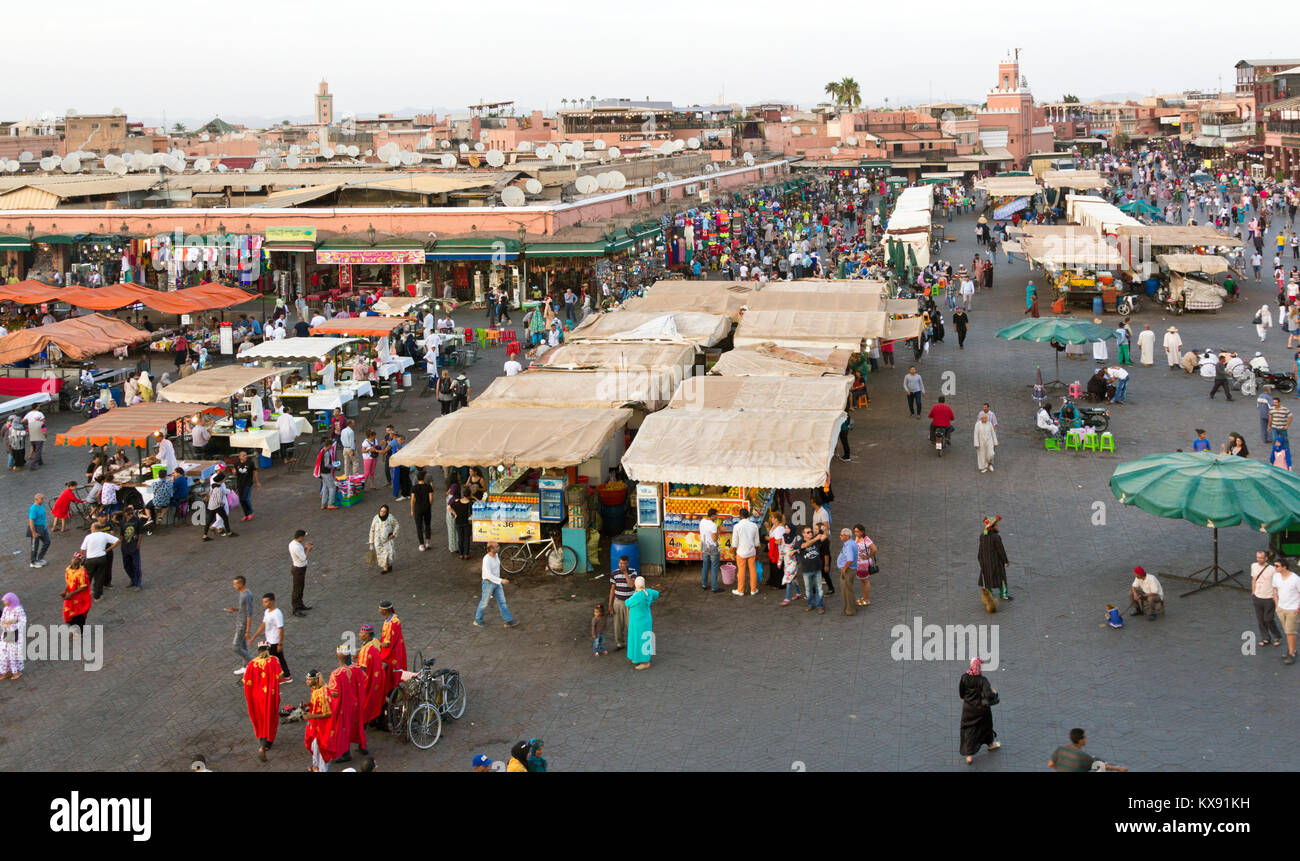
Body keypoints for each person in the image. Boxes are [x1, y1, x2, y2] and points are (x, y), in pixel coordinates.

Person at [326, 645, 367, 763]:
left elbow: (334, 693)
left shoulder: (336, 674)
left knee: (343, 729)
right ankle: (362, 747)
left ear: (338, 657)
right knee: (358, 724)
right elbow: (365, 678)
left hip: (344, 706)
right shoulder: (357, 668)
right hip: (356, 703)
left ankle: (346, 753)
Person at [242, 642, 282, 762]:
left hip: (256, 697)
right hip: (269, 696)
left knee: (259, 718)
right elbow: (279, 676)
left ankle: (262, 739)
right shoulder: (274, 661)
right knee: (270, 718)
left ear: (258, 651)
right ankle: (266, 744)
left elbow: (246, 682)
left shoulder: (251, 664)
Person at [958, 657, 1000, 764]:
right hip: (982, 710)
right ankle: (990, 744)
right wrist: (994, 692)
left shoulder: (964, 677)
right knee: (986, 727)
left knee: (969, 730)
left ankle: (969, 756)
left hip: (968, 709)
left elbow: (961, 692)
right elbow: (989, 695)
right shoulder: (982, 680)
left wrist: (964, 698)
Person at [303, 669, 341, 772]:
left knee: (321, 750)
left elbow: (328, 713)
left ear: (315, 680)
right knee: (314, 746)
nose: (307, 681)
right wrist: (306, 705)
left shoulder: (324, 693)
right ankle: (315, 767)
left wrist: (312, 716)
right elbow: (315, 704)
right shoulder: (315, 689)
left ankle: (321, 769)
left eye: (309, 680)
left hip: (324, 728)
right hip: (317, 727)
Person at [248, 593, 291, 682]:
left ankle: (270, 677)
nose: (264, 604)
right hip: (269, 641)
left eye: (266, 602)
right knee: (280, 659)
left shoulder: (277, 614)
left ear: (272, 601)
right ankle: (287, 676)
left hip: (274, 642)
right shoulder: (267, 612)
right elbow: (263, 625)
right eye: (263, 602)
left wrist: (280, 643)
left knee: (268, 660)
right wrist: (253, 637)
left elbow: (281, 629)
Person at [474, 544, 519, 628]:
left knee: (502, 601)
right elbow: (488, 575)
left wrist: (499, 581)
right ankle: (478, 620)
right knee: (484, 602)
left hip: (496, 583)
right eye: (497, 546)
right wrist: (501, 580)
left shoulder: (496, 555)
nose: (499, 547)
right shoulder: (487, 559)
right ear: (491, 549)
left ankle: (508, 620)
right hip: (488, 584)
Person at [1048, 728, 1128, 772]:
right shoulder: (1083, 757)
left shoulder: (1061, 748)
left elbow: (1050, 764)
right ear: (1080, 740)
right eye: (1085, 737)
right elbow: (1101, 766)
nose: (1086, 739)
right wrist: (1119, 768)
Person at [624, 576, 659, 670]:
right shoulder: (649, 592)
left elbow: (627, 603)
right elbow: (657, 594)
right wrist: (651, 600)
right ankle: (639, 658)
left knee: (637, 639)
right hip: (646, 620)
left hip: (637, 622)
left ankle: (645, 662)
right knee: (645, 639)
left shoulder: (637, 596)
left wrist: (635, 593)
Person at [355, 625, 387, 726]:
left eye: (361, 633)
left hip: (370, 678)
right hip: (379, 676)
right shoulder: (375, 641)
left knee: (364, 700)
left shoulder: (365, 650)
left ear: (367, 634)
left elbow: (363, 669)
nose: (359, 635)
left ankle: (363, 721)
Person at [1251, 551, 1284, 648]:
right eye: (1257, 557)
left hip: (1269, 598)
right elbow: (1253, 579)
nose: (1259, 559)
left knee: (1268, 619)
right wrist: (1253, 591)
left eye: (1261, 558)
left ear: (1266, 558)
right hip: (1257, 597)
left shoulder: (1272, 569)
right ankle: (1266, 638)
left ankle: (1277, 635)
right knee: (1260, 620)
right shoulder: (1253, 566)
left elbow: (1278, 583)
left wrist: (1277, 596)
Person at [80, 521, 120, 600]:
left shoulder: (88, 537)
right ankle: (97, 596)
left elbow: (82, 549)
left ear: (94, 529)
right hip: (101, 558)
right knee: (99, 577)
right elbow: (117, 541)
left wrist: (82, 556)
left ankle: (84, 594)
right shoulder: (104, 535)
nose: (90, 529)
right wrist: (107, 550)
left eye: (91, 527)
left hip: (90, 559)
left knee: (87, 577)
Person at [977, 515, 1011, 601]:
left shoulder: (982, 536)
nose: (998, 527)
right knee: (1002, 578)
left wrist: (981, 561)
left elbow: (980, 550)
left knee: (987, 579)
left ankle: (989, 594)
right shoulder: (996, 537)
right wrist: (1005, 561)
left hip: (985, 563)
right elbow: (1001, 550)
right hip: (996, 563)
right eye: (996, 525)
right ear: (992, 527)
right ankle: (1004, 594)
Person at [227, 575, 257, 671]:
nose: (234, 586)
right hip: (239, 622)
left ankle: (253, 662)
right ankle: (246, 666)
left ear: (241, 584)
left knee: (235, 647)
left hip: (242, 625)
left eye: (235, 584)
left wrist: (247, 630)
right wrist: (234, 609)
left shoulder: (247, 595)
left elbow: (249, 613)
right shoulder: (242, 593)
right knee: (243, 645)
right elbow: (243, 608)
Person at [1274, 558, 1300, 664]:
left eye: (1277, 566)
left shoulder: (1295, 579)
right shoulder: (1276, 576)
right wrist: (1277, 605)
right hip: (1281, 608)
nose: (1275, 568)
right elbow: (1275, 590)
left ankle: (1292, 654)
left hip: (1292, 609)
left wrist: (1298, 607)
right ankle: (1291, 649)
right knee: (1287, 631)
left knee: (1290, 632)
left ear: (1284, 567)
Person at [378, 601, 408, 693]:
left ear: (385, 610)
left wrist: (375, 644)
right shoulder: (389, 620)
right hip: (392, 648)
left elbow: (387, 644)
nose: (379, 610)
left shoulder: (393, 623)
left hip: (392, 652)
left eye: (380, 609)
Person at [731, 508, 760, 597]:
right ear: (748, 515)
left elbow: (735, 543)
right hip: (752, 551)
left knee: (741, 571)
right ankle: (753, 590)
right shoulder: (754, 526)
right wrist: (757, 553)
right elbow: (757, 542)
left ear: (740, 516)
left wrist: (733, 552)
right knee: (753, 570)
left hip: (741, 552)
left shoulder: (737, 526)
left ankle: (740, 590)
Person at [117, 504, 148, 590]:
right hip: (125, 546)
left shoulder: (136, 521)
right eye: (129, 514)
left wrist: (138, 544)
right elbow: (122, 534)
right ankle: (133, 579)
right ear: (125, 514)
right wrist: (121, 544)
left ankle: (138, 583)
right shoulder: (123, 521)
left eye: (131, 514)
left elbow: (140, 533)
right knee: (127, 565)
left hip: (133, 546)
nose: (131, 515)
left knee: (136, 565)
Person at [607, 555, 636, 646]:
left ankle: (632, 644)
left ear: (627, 564)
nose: (621, 565)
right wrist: (610, 605)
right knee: (618, 625)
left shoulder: (633, 572)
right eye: (620, 563)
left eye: (623, 563)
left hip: (630, 602)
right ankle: (620, 643)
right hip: (618, 602)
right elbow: (612, 589)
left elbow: (631, 585)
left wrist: (625, 573)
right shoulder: (614, 573)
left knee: (630, 625)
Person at [796, 525, 825, 615]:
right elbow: (804, 546)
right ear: (803, 534)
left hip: (817, 569)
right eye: (808, 532)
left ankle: (820, 606)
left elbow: (825, 536)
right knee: (808, 589)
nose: (811, 533)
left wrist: (824, 530)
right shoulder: (800, 542)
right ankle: (810, 604)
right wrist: (816, 538)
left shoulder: (816, 541)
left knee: (819, 588)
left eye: (811, 532)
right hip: (806, 570)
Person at [61, 552, 92, 634]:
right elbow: (69, 582)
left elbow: (84, 586)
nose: (74, 560)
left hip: (79, 596)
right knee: (68, 612)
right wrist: (65, 591)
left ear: (80, 561)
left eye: (77, 559)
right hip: (71, 595)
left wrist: (72, 593)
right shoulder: (68, 569)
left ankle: (80, 631)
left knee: (79, 613)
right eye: (74, 558)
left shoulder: (81, 572)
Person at [0, 593, 26, 680]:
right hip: (6, 633)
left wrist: (12, 625)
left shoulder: (18, 609)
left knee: (13, 653)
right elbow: (2, 618)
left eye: (6, 601)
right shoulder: (6, 609)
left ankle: (16, 672)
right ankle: (6, 671)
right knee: (4, 652)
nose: (5, 603)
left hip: (15, 634)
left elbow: (22, 621)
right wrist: (3, 623)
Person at [368, 504, 399, 574]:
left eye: (384, 512)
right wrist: (371, 542)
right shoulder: (376, 518)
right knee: (381, 554)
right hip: (378, 541)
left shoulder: (390, 518)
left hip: (388, 540)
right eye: (381, 511)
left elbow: (396, 525)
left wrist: (394, 534)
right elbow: (372, 530)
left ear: (387, 512)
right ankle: (385, 568)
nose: (382, 513)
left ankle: (390, 565)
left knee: (389, 553)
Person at [288, 530, 312, 617]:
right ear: (300, 537)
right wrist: (308, 549)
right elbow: (303, 558)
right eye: (303, 537)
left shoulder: (293, 544)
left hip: (298, 568)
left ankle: (300, 605)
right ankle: (296, 609)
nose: (304, 538)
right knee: (297, 589)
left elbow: (300, 554)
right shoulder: (297, 547)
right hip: (299, 569)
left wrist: (305, 548)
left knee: (300, 587)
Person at [836, 528, 859, 616]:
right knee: (847, 589)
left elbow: (850, 559)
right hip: (850, 569)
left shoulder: (849, 545)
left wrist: (844, 568)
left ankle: (850, 610)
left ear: (847, 536)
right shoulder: (850, 543)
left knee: (846, 590)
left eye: (842, 535)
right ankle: (850, 607)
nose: (840, 536)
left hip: (848, 571)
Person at [410, 469, 434, 551]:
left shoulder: (414, 488)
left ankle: (421, 544)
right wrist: (429, 505)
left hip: (417, 508)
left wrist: (412, 510)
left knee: (419, 526)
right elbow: (431, 498)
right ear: (424, 478)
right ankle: (428, 542)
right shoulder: (428, 487)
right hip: (426, 507)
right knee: (427, 524)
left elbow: (412, 499)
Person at [233, 450, 260, 521]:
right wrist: (234, 472)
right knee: (241, 500)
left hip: (248, 483)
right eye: (243, 455)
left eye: (246, 455)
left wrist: (257, 482)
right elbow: (235, 473)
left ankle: (251, 513)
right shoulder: (236, 463)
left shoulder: (250, 463)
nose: (245, 456)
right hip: (239, 484)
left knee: (246, 499)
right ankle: (246, 514)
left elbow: (255, 471)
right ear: (240, 457)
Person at [699, 507, 721, 593]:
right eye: (716, 515)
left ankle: (704, 584)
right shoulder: (713, 525)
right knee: (714, 567)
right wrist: (719, 531)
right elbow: (714, 539)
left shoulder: (702, 521)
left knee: (705, 565)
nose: (717, 517)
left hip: (704, 546)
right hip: (712, 548)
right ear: (712, 516)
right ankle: (714, 587)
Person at [449, 487, 474, 559]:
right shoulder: (470, 503)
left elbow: (448, 507)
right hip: (467, 523)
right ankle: (466, 554)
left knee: (460, 538)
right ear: (470, 495)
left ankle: (461, 554)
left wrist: (454, 514)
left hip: (458, 523)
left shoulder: (457, 502)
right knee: (466, 538)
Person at [28, 492, 50, 569]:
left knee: (47, 542)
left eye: (43, 498)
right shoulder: (33, 509)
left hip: (43, 528)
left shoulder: (42, 505)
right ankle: (33, 562)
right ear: (36, 499)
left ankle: (40, 558)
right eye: (42, 499)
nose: (43, 500)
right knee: (35, 546)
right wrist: (33, 532)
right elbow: (31, 521)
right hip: (36, 529)